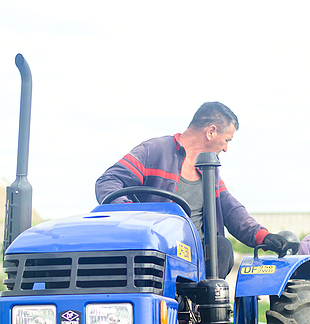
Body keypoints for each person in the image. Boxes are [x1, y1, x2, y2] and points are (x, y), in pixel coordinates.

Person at [94, 101, 290, 266]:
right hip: (157, 250)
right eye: (227, 140)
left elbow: (230, 208)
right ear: (211, 131)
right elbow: (108, 181)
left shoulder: (209, 170)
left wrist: (262, 236)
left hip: (196, 257)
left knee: (222, 248)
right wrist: (132, 215)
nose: (226, 148)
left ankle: (203, 310)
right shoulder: (154, 151)